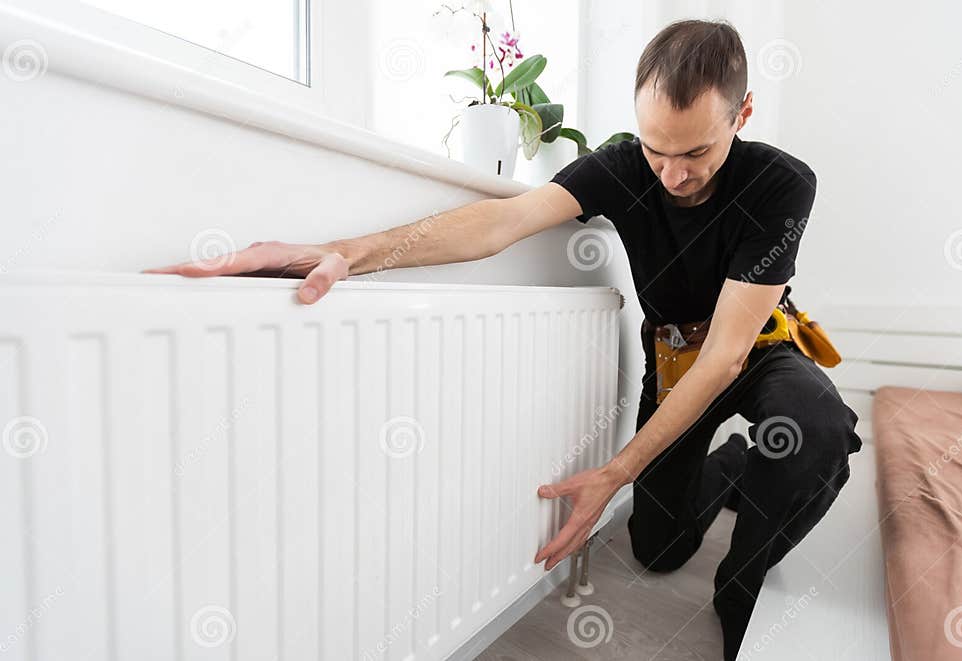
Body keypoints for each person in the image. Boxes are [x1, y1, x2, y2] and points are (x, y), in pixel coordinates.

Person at [146, 18, 863, 660]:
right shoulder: (619, 166)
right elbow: (498, 224)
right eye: (655, 150)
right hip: (675, 358)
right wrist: (346, 251)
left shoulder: (781, 184)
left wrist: (615, 471)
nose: (672, 175)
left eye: (697, 152)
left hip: (756, 345)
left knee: (817, 425)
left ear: (743, 114)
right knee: (658, 549)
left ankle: (741, 589)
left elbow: (729, 355)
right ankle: (734, 465)